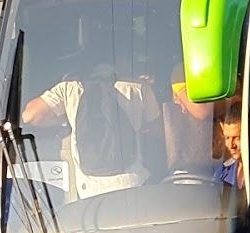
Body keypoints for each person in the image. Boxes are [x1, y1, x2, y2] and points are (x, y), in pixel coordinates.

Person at [21, 67, 159, 199]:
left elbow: (30, 116)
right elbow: (157, 129)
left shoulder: (69, 88)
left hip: (91, 192)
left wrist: (67, 120)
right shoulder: (137, 86)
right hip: (133, 183)